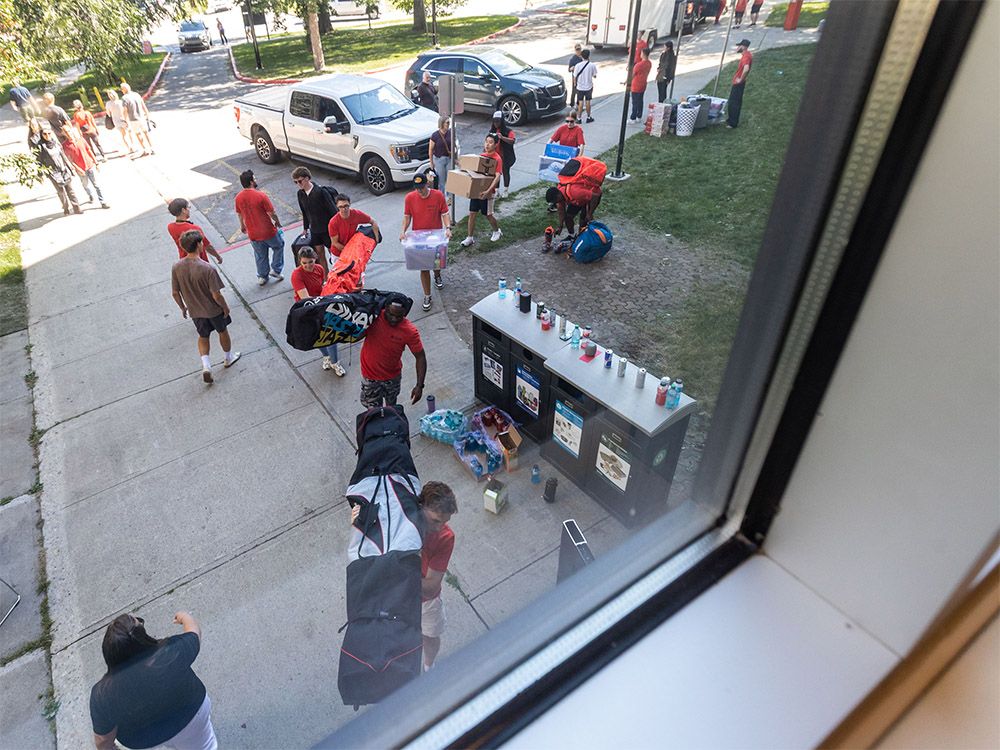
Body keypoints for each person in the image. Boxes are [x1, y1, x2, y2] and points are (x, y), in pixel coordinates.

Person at [90, 611, 217, 750]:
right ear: (142, 639)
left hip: (143, 740)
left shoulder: (102, 694)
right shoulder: (172, 652)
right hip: (191, 717)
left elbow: (103, 740)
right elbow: (194, 633)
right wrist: (185, 617)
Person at [171, 230, 240, 384]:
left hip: (196, 312)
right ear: (198, 245)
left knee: (203, 337)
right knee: (222, 331)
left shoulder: (177, 267)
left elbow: (175, 293)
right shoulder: (208, 268)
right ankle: (228, 357)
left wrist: (183, 307)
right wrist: (225, 307)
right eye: (201, 242)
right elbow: (216, 295)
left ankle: (206, 366)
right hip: (213, 310)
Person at [417, 481, 457, 671]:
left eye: (445, 521)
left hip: (427, 602)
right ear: (421, 507)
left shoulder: (445, 537)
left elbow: (432, 586)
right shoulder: (406, 524)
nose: (441, 527)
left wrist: (400, 574)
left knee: (430, 637)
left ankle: (429, 666)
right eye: (435, 520)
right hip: (397, 598)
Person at [358, 299, 426, 409]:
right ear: (385, 309)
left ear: (404, 313)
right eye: (390, 314)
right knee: (373, 412)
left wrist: (419, 386)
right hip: (370, 377)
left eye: (399, 316)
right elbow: (357, 336)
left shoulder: (409, 331)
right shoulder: (373, 318)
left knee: (391, 407)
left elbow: (420, 357)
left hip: (392, 378)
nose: (394, 319)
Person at [291, 248, 346, 376]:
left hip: (320, 303)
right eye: (304, 263)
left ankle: (334, 361)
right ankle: (327, 356)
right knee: (317, 336)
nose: (307, 266)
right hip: (308, 308)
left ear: (315, 258)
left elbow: (322, 285)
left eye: (310, 262)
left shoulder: (319, 269)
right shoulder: (296, 275)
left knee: (330, 334)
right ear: (300, 261)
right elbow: (305, 298)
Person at [401, 172, 451, 312]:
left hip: (435, 237)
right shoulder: (410, 198)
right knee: (423, 267)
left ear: (427, 184)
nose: (420, 191)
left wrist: (447, 228)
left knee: (436, 263)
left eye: (422, 187)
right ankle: (427, 295)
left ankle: (437, 275)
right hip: (419, 237)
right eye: (417, 188)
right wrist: (403, 231)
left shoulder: (438, 195)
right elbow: (407, 216)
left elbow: (444, 214)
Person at [235, 169, 284, 285]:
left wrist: (242, 226)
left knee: (260, 255)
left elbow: (239, 213)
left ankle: (262, 276)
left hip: (253, 233)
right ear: (251, 181)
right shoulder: (261, 195)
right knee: (279, 246)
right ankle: (276, 270)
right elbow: (272, 213)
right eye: (255, 178)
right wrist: (277, 222)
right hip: (268, 231)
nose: (256, 180)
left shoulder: (238, 198)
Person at [458, 135, 502, 250]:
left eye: (491, 142)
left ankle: (497, 231)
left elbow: (497, 177)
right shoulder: (481, 156)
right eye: (486, 142)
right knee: (472, 213)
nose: (487, 144)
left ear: (496, 144)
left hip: (488, 192)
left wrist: (488, 191)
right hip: (477, 191)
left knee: (488, 214)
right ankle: (470, 237)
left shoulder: (497, 159)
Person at [293, 166, 337, 274]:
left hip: (327, 229)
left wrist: (336, 228)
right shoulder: (300, 194)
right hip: (315, 230)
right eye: (296, 182)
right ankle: (326, 279)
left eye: (300, 181)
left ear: (307, 178)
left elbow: (333, 211)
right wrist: (305, 228)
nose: (298, 184)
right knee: (319, 255)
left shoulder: (321, 192)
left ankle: (338, 275)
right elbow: (304, 212)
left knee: (334, 254)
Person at [34, 123, 82, 216]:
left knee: (70, 190)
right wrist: (40, 174)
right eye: (45, 134)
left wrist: (70, 168)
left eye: (49, 133)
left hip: (63, 169)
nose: (47, 136)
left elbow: (63, 156)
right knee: (61, 192)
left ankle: (77, 208)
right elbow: (39, 161)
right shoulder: (40, 146)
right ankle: (66, 208)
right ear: (41, 135)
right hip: (53, 173)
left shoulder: (56, 143)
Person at [60, 130, 109, 209]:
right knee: (85, 184)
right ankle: (90, 194)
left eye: (69, 131)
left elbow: (89, 150)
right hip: (80, 169)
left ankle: (103, 202)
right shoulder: (65, 145)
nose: (68, 133)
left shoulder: (81, 140)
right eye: (66, 132)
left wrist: (96, 163)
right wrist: (78, 169)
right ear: (64, 134)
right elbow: (70, 160)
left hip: (89, 165)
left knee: (96, 185)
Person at [167, 198, 223, 264]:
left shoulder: (170, 227)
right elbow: (208, 246)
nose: (189, 209)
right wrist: (217, 256)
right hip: (200, 262)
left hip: (185, 261)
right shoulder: (194, 228)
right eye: (188, 207)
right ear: (183, 210)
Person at [327, 193, 380, 259]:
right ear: (337, 206)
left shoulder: (356, 214)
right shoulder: (333, 222)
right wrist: (350, 252)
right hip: (338, 254)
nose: (344, 209)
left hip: (352, 250)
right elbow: (335, 243)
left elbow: (373, 222)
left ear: (349, 204)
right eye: (341, 207)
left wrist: (376, 239)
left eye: (346, 206)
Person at [487, 111, 516, 198]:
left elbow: (512, 140)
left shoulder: (508, 131)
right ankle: (496, 190)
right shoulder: (492, 131)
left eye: (498, 121)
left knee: (505, 172)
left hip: (505, 156)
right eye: (494, 121)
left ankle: (506, 190)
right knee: (496, 174)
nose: (496, 123)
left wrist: (502, 137)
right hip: (495, 156)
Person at [120, 83, 154, 156]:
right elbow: (143, 105)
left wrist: (125, 120)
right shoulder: (136, 94)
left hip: (133, 119)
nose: (121, 90)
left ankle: (145, 149)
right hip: (142, 117)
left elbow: (125, 111)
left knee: (138, 134)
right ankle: (152, 148)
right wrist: (147, 114)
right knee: (146, 133)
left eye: (121, 89)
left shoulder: (124, 98)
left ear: (124, 89)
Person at [727, 38, 753, 128]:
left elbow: (746, 69)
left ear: (743, 47)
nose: (737, 48)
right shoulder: (747, 55)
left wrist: (740, 80)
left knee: (734, 103)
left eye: (739, 46)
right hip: (738, 83)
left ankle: (732, 123)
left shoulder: (746, 57)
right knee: (733, 102)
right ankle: (730, 120)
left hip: (738, 84)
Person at [104, 89, 136, 155]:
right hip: (124, 119)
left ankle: (129, 148)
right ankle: (133, 146)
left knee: (123, 135)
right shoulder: (120, 102)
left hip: (116, 121)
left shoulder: (108, 104)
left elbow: (108, 114)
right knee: (129, 133)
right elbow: (125, 110)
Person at [428, 116, 453, 199]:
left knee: (450, 179)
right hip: (439, 160)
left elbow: (454, 146)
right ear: (442, 123)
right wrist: (431, 163)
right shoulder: (435, 135)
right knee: (442, 180)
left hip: (449, 159)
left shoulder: (450, 133)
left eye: (449, 122)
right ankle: (441, 197)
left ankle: (449, 197)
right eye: (447, 122)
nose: (449, 124)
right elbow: (431, 150)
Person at [629, 47, 653, 122]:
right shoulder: (649, 63)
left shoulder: (638, 65)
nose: (640, 54)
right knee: (640, 100)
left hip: (636, 85)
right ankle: (639, 116)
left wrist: (626, 82)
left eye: (641, 53)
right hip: (643, 84)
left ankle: (633, 117)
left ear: (644, 54)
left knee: (634, 102)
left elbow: (632, 75)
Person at [573, 49, 597, 123]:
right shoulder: (592, 65)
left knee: (580, 103)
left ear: (581, 56)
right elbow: (595, 75)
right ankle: (588, 117)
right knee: (588, 102)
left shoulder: (577, 65)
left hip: (580, 87)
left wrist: (575, 84)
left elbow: (575, 76)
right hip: (589, 86)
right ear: (588, 56)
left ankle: (579, 118)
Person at [567, 43, 584, 108]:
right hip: (575, 77)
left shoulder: (583, 57)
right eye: (577, 49)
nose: (578, 51)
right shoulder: (573, 59)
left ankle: (578, 103)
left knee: (580, 91)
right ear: (575, 50)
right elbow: (569, 69)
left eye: (579, 49)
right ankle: (572, 104)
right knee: (574, 91)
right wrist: (572, 68)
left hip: (582, 76)